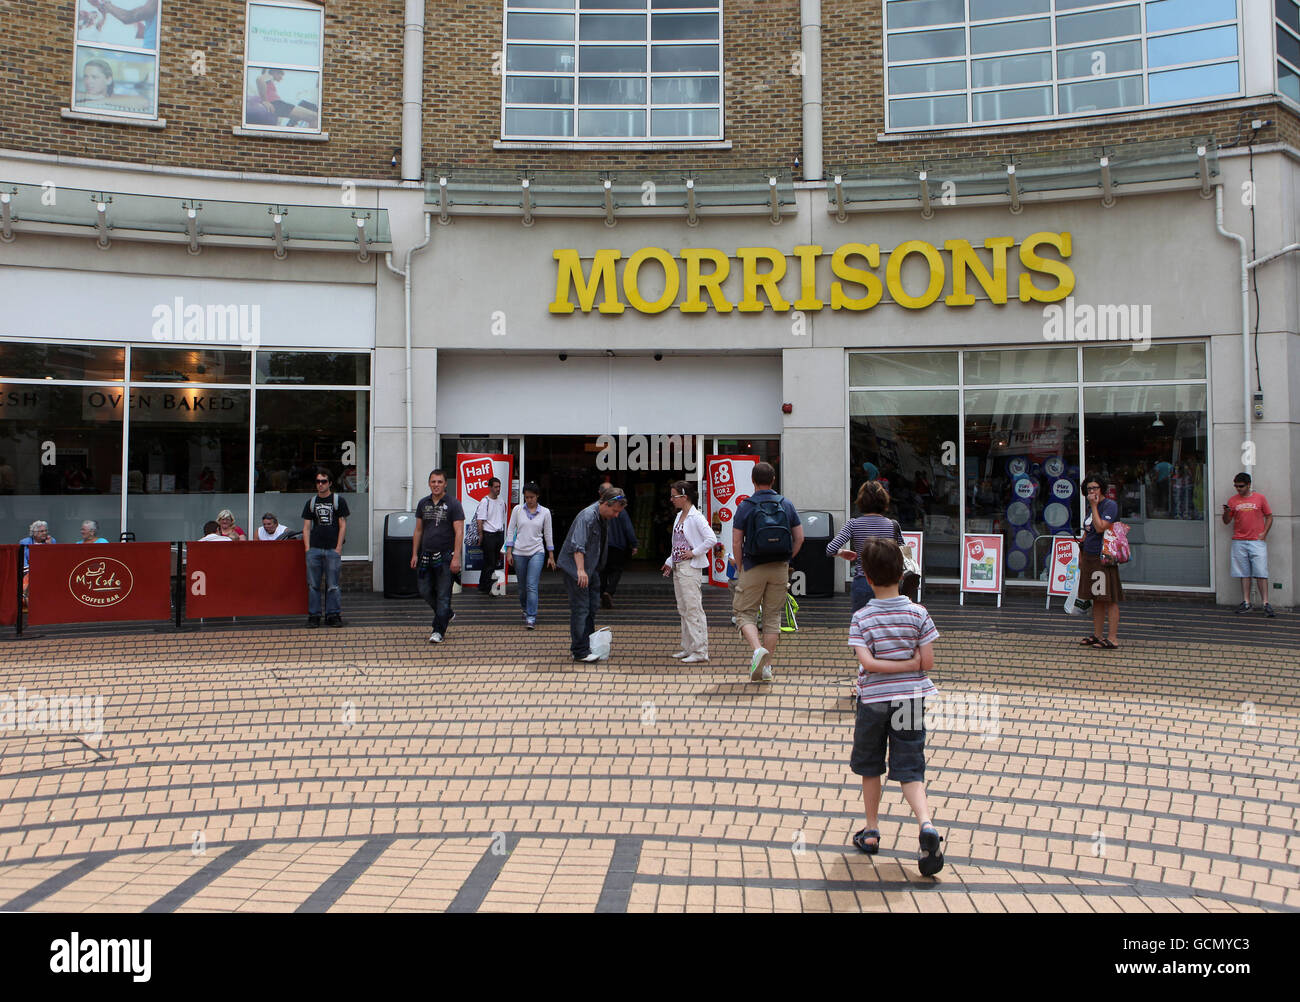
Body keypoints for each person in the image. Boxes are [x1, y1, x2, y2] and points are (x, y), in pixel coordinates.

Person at [847, 538, 944, 877]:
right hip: (911, 699)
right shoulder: (919, 613)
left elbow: (868, 664)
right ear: (902, 575)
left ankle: (871, 831)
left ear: (868, 578)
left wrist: (888, 665)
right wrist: (909, 665)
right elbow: (927, 662)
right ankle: (926, 825)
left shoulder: (862, 618)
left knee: (871, 765)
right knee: (910, 766)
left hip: (873, 701)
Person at [731, 462, 803, 683]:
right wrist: (787, 559)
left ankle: (756, 650)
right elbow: (800, 537)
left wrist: (741, 566)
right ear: (773, 480)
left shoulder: (746, 505)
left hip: (753, 565)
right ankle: (767, 668)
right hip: (779, 567)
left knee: (744, 613)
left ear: (753, 481)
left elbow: (736, 540)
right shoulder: (786, 504)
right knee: (773, 616)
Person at [557, 484, 627, 662]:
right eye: (615, 511)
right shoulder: (587, 516)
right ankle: (579, 651)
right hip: (577, 570)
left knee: (592, 607)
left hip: (592, 569)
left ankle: (586, 646)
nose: (616, 515)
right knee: (580, 609)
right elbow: (577, 545)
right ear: (606, 504)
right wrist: (580, 570)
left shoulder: (602, 517)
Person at [826, 480, 906, 612]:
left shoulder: (853, 524)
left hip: (863, 581)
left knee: (861, 624)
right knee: (887, 624)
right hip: (889, 583)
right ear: (884, 501)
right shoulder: (893, 525)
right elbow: (902, 554)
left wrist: (841, 552)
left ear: (861, 501)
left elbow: (830, 549)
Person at [662, 480, 713, 663]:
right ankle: (689, 647)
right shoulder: (680, 516)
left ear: (684, 497)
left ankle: (700, 650)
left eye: (674, 496)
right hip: (679, 567)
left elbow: (711, 539)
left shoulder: (696, 517)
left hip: (690, 568)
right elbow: (677, 543)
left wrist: (693, 552)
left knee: (693, 609)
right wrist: (670, 561)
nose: (671, 499)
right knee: (683, 608)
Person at [411, 469, 464, 644]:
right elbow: (418, 530)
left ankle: (438, 630)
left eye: (439, 482)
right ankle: (446, 613)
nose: (436, 485)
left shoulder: (454, 504)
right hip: (425, 555)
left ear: (445, 483)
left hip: (446, 556)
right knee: (424, 590)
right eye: (433, 481)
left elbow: (459, 532)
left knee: (443, 595)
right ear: (429, 483)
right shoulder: (422, 503)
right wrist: (414, 554)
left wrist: (456, 557)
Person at [1077, 475, 1122, 650]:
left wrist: (1095, 506)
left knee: (1109, 597)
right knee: (1096, 597)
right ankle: (1097, 634)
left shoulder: (1109, 505)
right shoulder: (1090, 508)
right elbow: (1088, 531)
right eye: (1089, 489)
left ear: (1101, 488)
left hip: (1103, 557)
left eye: (1095, 488)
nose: (1092, 491)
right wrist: (1081, 552)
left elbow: (1100, 527)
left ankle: (1112, 638)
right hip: (1090, 556)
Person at [1222, 472, 1275, 617]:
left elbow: (1269, 516)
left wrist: (1264, 533)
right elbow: (1227, 521)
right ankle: (1246, 602)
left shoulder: (1260, 498)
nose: (1238, 489)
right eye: (1236, 486)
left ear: (1249, 485)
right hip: (1239, 540)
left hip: (1256, 541)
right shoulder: (1233, 501)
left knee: (1261, 572)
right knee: (1243, 573)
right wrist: (1226, 512)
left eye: (1241, 486)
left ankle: (1265, 603)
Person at [301, 468, 348, 628]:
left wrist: (338, 547)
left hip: (332, 549)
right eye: (318, 481)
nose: (320, 485)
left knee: (333, 585)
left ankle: (333, 614)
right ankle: (314, 615)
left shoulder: (338, 501)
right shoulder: (311, 503)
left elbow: (342, 525)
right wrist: (307, 548)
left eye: (324, 481)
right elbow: (306, 527)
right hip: (314, 548)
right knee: (313, 585)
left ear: (330, 483)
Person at [504, 482, 554, 629]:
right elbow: (510, 529)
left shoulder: (545, 512)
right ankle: (525, 609)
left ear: (537, 496)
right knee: (522, 587)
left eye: (532, 497)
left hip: (537, 551)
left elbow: (548, 534)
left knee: (532, 585)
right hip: (519, 552)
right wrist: (509, 551)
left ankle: (531, 616)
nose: (529, 500)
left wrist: (551, 555)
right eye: (526, 497)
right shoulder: (517, 510)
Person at [602, 496, 638, 609]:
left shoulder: (599, 509)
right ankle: (609, 591)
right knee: (617, 570)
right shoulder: (622, 511)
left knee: (603, 570)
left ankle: (603, 592)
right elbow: (628, 528)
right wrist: (634, 544)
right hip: (617, 545)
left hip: (602, 546)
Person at [476, 477, 507, 595]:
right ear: (490, 487)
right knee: (490, 561)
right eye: (496, 487)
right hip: (488, 534)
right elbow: (480, 520)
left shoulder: (501, 501)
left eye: (499, 487)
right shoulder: (485, 501)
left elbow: (502, 516)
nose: (498, 489)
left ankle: (483, 585)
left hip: (498, 534)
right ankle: (487, 586)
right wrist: (481, 535)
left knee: (493, 562)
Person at [18, 520, 56, 609]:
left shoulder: (51, 541)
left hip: (47, 572)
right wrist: (33, 571)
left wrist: (49, 546)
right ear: (34, 533)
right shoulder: (24, 542)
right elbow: (23, 562)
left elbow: (54, 559)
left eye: (46, 531)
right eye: (42, 531)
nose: (45, 533)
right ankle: (32, 609)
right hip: (29, 572)